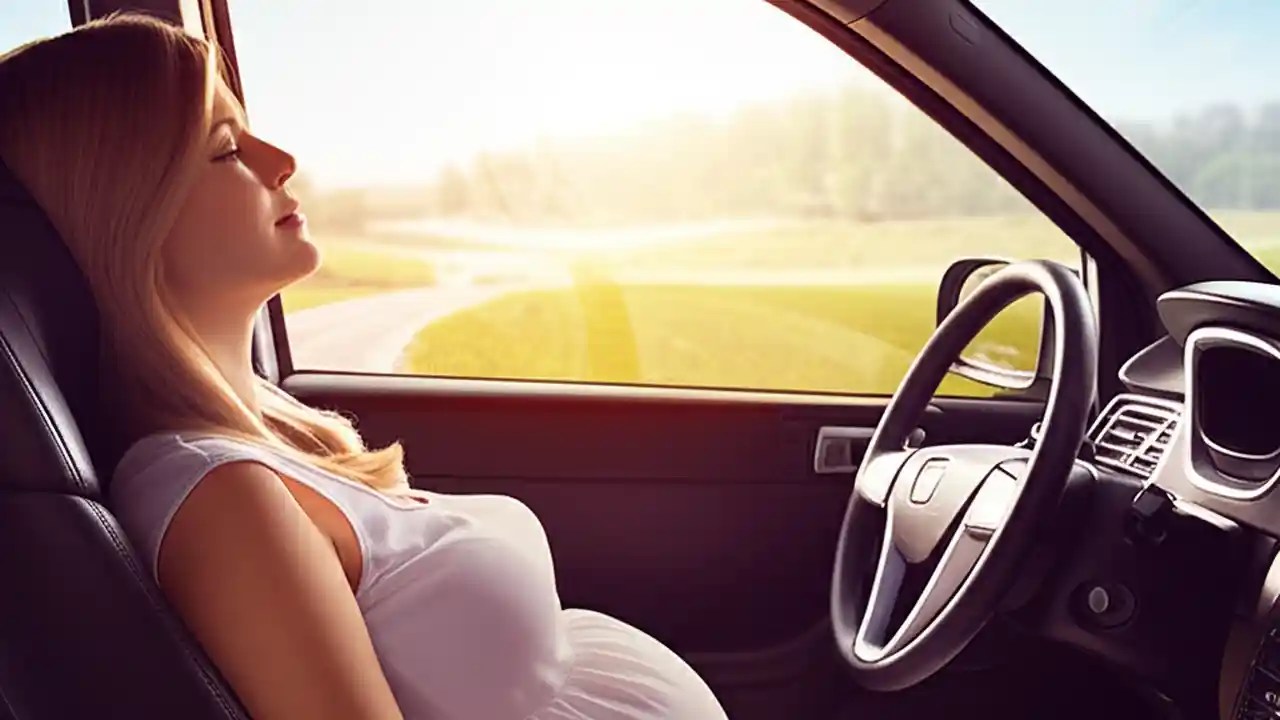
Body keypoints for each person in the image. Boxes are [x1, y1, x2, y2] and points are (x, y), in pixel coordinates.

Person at [0, 13, 728, 720]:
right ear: (127, 210)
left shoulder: (263, 435)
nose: (280, 161)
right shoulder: (220, 500)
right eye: (226, 149)